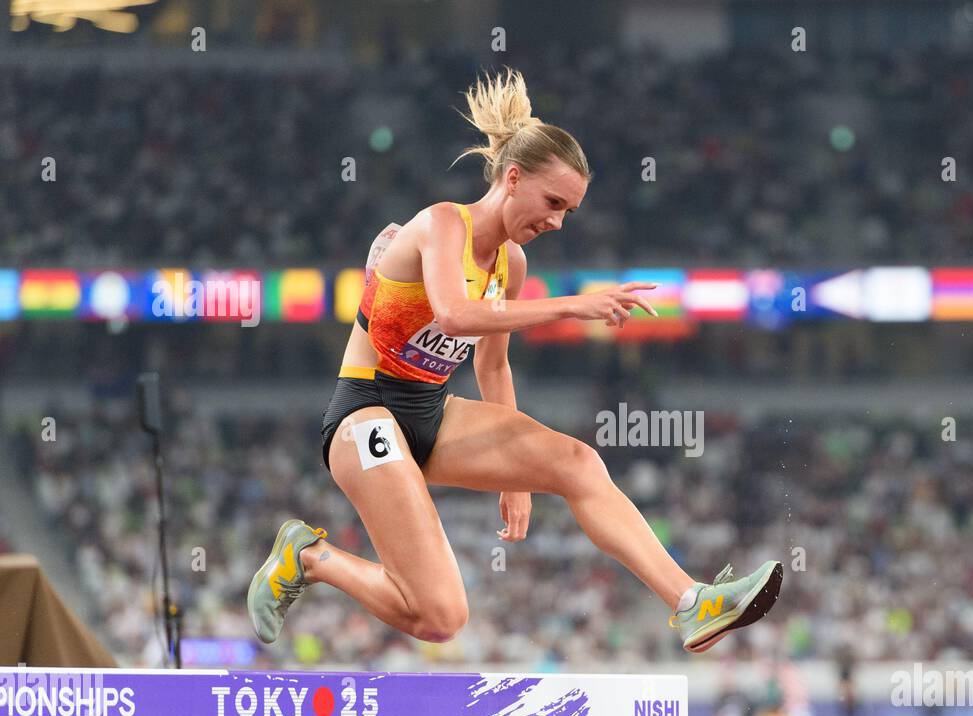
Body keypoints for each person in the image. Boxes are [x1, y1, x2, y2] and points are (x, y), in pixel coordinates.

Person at [247, 68, 782, 656]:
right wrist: (571, 306)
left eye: (568, 212)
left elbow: (493, 366)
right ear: (513, 176)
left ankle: (690, 602)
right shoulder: (441, 223)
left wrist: (517, 479)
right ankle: (309, 556)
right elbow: (453, 316)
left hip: (431, 412)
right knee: (441, 615)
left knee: (577, 462)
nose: (556, 221)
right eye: (553, 202)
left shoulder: (512, 265)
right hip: (365, 415)